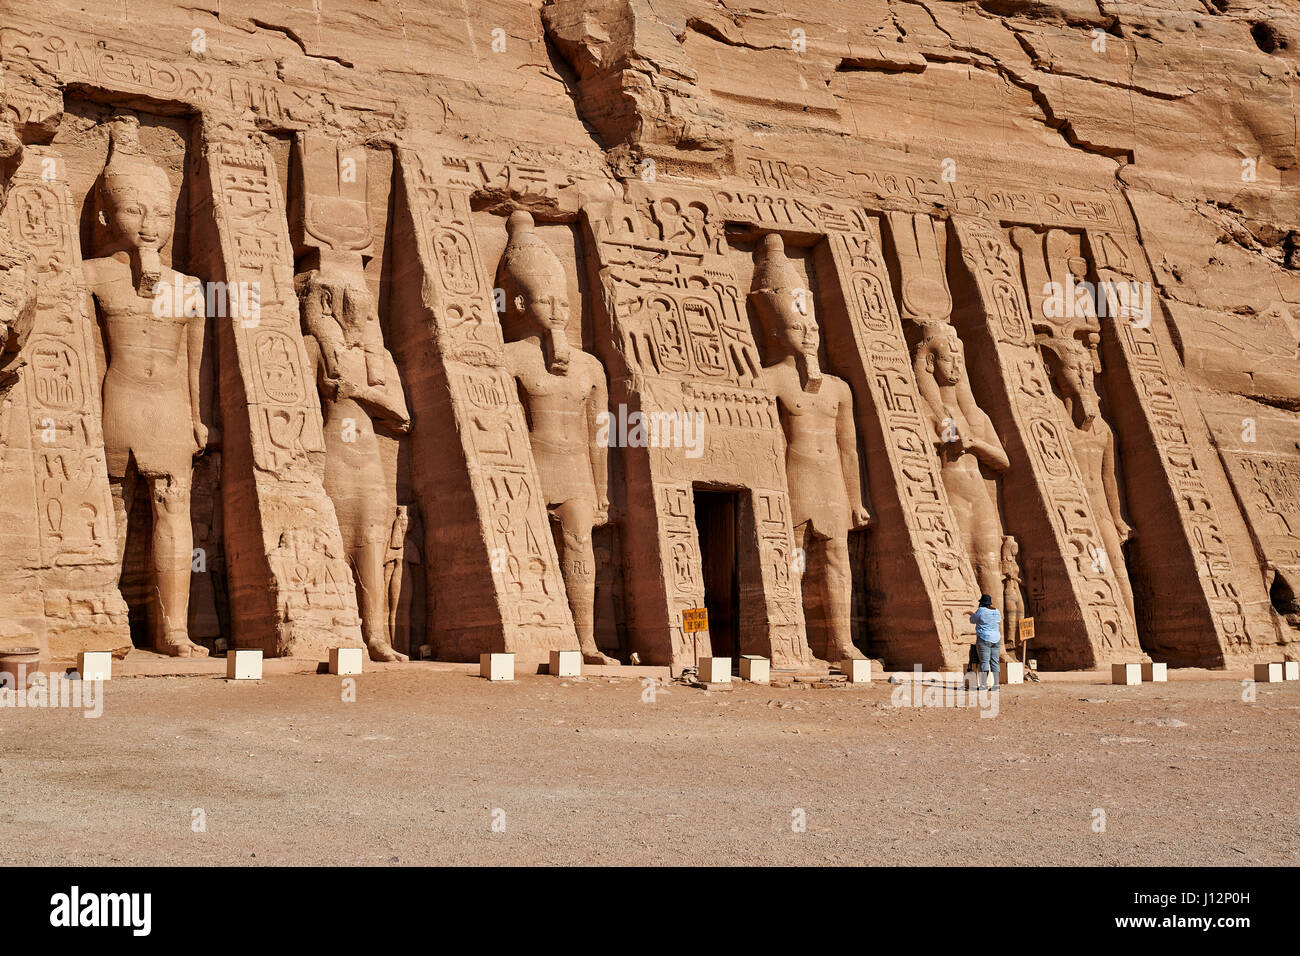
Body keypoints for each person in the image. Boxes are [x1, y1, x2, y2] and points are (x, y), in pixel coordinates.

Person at [969, 593, 1002, 691]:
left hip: (984, 638)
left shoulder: (981, 610)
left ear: (982, 603)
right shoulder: (996, 611)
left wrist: (977, 611)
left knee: (984, 662)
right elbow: (998, 620)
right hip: (996, 638)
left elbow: (972, 620)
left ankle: (983, 685)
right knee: (995, 662)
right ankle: (996, 685)